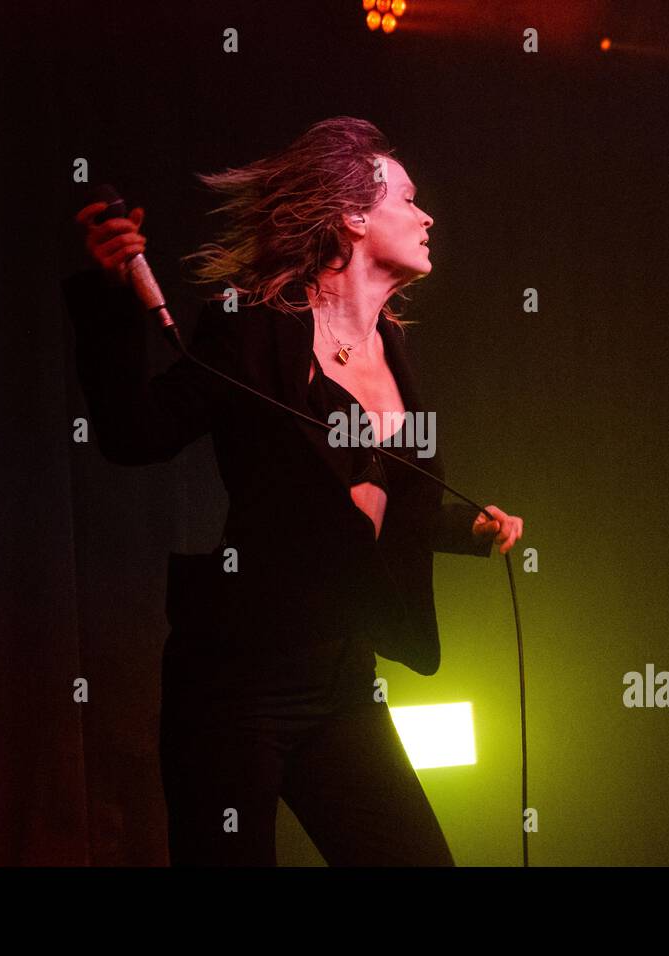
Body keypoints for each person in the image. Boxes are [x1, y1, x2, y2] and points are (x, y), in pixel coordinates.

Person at [64, 116, 524, 866]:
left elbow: (363, 492)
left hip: (343, 679)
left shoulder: (392, 346)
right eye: (407, 200)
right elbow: (133, 436)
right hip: (236, 684)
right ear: (352, 215)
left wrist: (462, 530)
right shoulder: (254, 335)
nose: (426, 215)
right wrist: (116, 301)